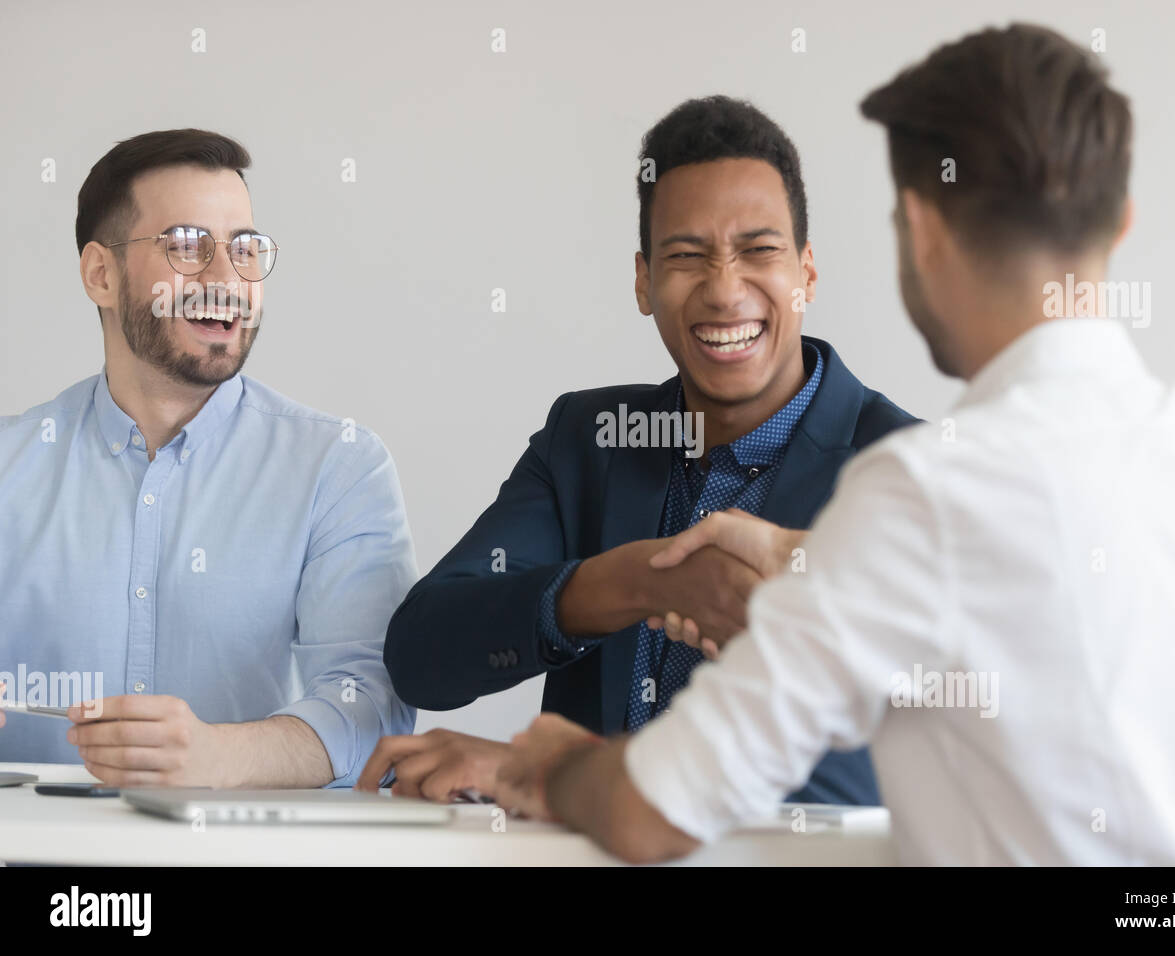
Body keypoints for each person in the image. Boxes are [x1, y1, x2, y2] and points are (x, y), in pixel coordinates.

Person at [491, 24, 1175, 865]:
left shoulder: (924, 492)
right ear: (1121, 224)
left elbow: (654, 810)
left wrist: (551, 767)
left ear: (921, 229)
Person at [364, 97, 916, 806]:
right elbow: (422, 655)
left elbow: (863, 786)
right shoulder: (590, 437)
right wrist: (629, 584)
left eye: (759, 250)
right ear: (643, 281)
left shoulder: (907, 468)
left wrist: (553, 773)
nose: (723, 289)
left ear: (806, 273)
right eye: (686, 256)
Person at [0, 129, 417, 787]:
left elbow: (373, 709)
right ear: (100, 274)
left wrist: (215, 757)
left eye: (245, 249)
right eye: (187, 247)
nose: (226, 279)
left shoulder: (338, 467)